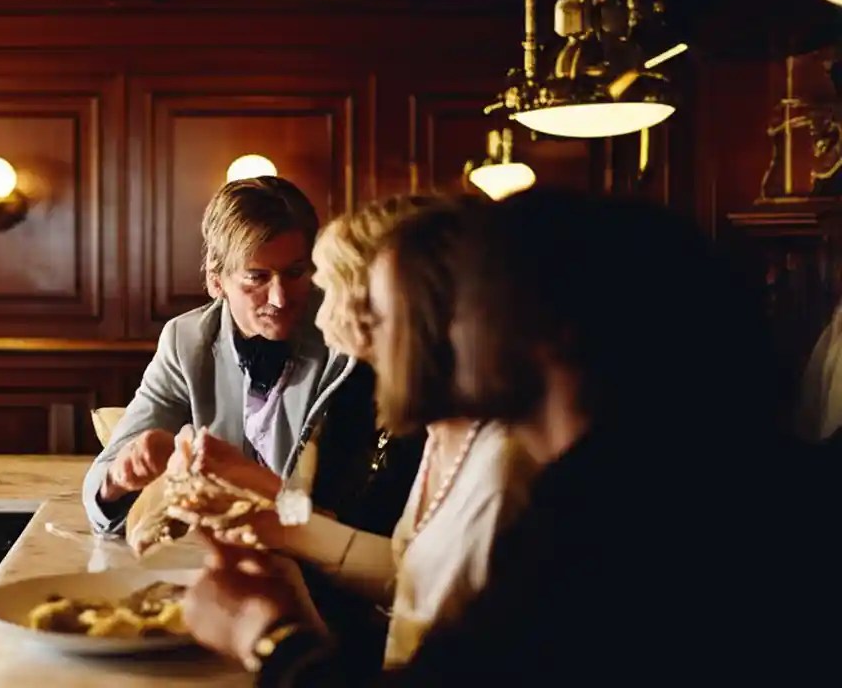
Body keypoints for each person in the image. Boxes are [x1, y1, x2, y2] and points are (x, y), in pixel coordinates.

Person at [182, 188, 797, 686]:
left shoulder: (577, 510)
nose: (447, 331)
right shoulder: (364, 400)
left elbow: (398, 580)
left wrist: (271, 630)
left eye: (465, 306)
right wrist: (260, 498)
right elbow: (330, 516)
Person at [176, 199, 536, 671]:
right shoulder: (434, 427)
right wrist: (280, 570)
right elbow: (408, 587)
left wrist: (266, 634)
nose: (317, 316)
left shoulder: (502, 465)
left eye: (323, 286)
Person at [83, 176, 351, 535]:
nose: (280, 299)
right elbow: (102, 502)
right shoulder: (186, 341)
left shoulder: (346, 341)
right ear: (216, 279)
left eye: (295, 273)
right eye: (257, 277)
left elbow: (351, 513)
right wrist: (120, 477)